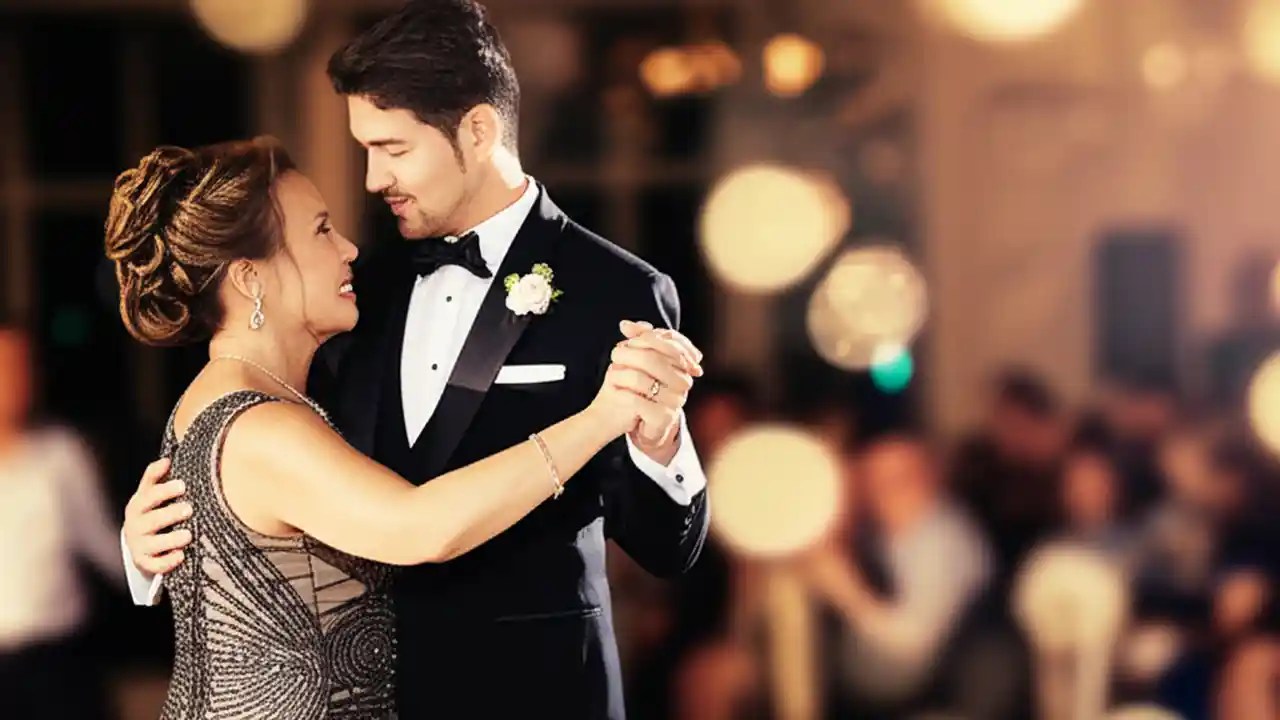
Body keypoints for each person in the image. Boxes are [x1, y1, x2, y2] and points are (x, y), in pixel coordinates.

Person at [119, 2, 711, 717]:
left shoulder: (618, 290)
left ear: (478, 130)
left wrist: (660, 442)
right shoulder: (356, 293)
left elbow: (666, 549)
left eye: (393, 149)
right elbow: (275, 457)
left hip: (543, 692)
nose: (372, 179)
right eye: (364, 148)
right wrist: (159, 549)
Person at [0, 318, 124, 719]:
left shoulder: (62, 455)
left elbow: (105, 545)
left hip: (58, 663)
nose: (13, 381)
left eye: (21, 366)